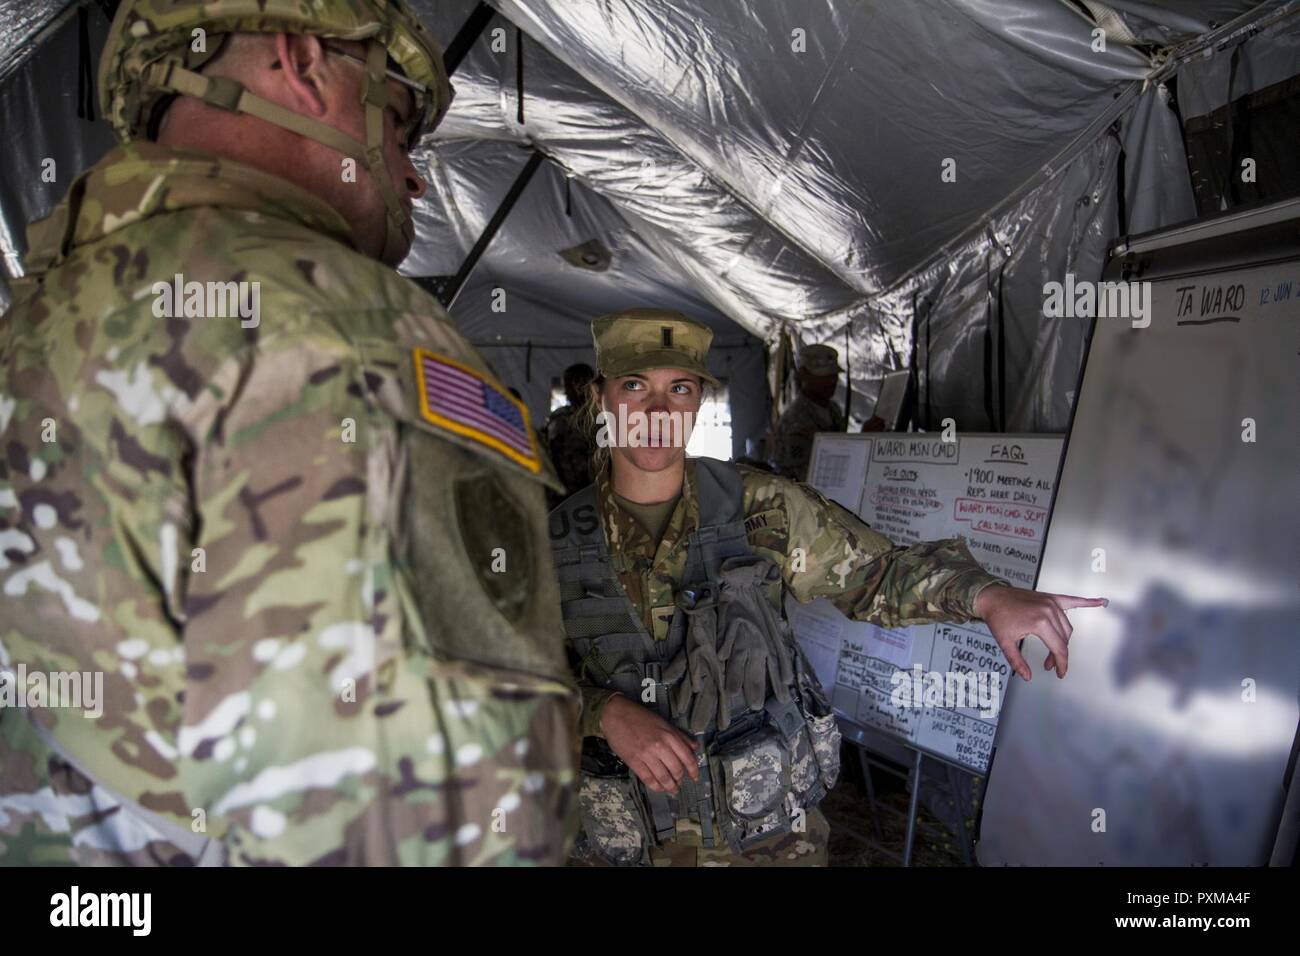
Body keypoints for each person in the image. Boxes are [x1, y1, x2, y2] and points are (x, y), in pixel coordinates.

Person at [0, 0, 577, 866]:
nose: (412, 178)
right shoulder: (343, 325)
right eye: (395, 125)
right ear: (303, 65)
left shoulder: (33, 327)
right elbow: (442, 824)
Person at [548, 308, 1106, 867]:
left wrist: (988, 597)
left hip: (767, 840)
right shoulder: (552, 541)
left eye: (681, 388)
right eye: (635, 386)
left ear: (697, 403)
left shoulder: (761, 506)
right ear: (601, 399)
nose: (659, 411)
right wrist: (603, 713)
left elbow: (875, 575)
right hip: (630, 845)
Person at [773, 343, 847, 480]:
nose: (831, 381)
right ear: (804, 375)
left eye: (834, 375)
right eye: (823, 377)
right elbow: (799, 473)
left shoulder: (833, 410)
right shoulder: (795, 419)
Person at [545, 362, 597, 500]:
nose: (566, 392)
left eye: (568, 385)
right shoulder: (559, 417)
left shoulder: (605, 417)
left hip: (594, 493)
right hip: (564, 495)